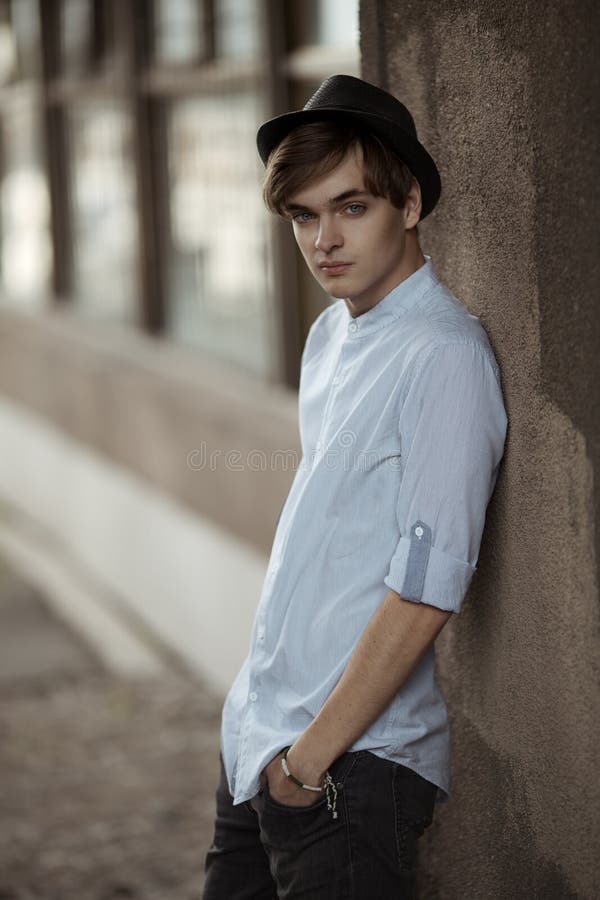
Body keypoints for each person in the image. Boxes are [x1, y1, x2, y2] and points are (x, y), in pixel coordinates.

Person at [202, 74, 508, 900]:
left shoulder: (442, 355)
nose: (323, 239)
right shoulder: (330, 335)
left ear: (409, 205)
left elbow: (426, 590)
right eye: (304, 215)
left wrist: (309, 763)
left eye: (351, 207)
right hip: (262, 739)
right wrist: (264, 740)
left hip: (347, 770)